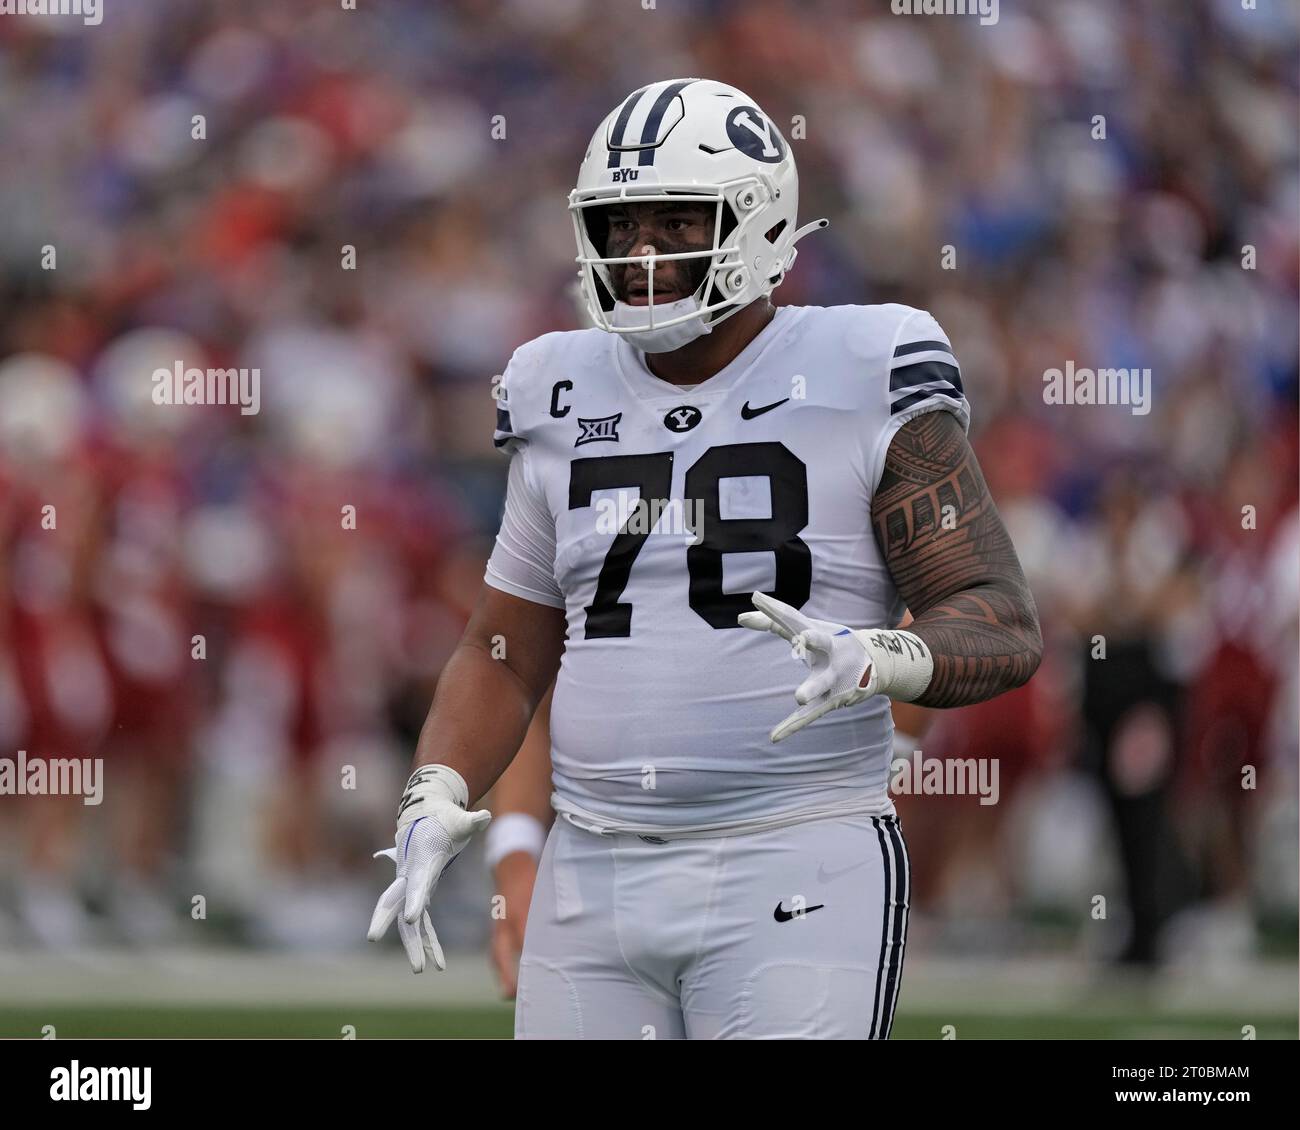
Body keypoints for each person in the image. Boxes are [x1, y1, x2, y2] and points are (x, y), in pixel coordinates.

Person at [368, 78, 1041, 1039]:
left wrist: (885, 660)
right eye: (621, 225)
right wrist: (437, 791)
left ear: (761, 221)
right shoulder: (554, 386)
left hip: (799, 851)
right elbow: (505, 651)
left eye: (676, 221)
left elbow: (1000, 615)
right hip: (592, 868)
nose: (642, 256)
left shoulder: (867, 364)